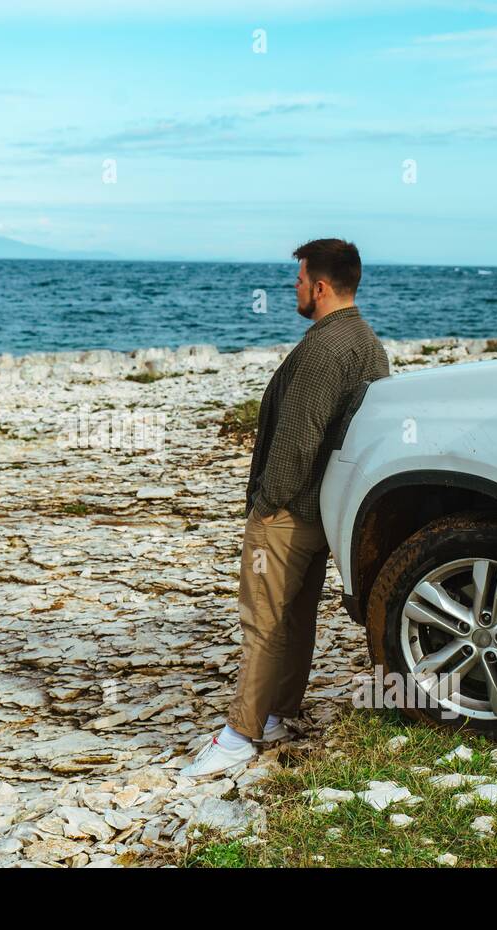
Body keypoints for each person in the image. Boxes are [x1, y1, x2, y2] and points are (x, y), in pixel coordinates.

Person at [182, 238, 390, 778]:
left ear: (320, 287)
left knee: (263, 622)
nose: (293, 289)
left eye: (298, 281)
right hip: (324, 505)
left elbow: (299, 437)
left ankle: (238, 735)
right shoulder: (367, 343)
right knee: (295, 619)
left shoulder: (325, 348)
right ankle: (275, 714)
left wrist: (266, 504)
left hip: (291, 510)